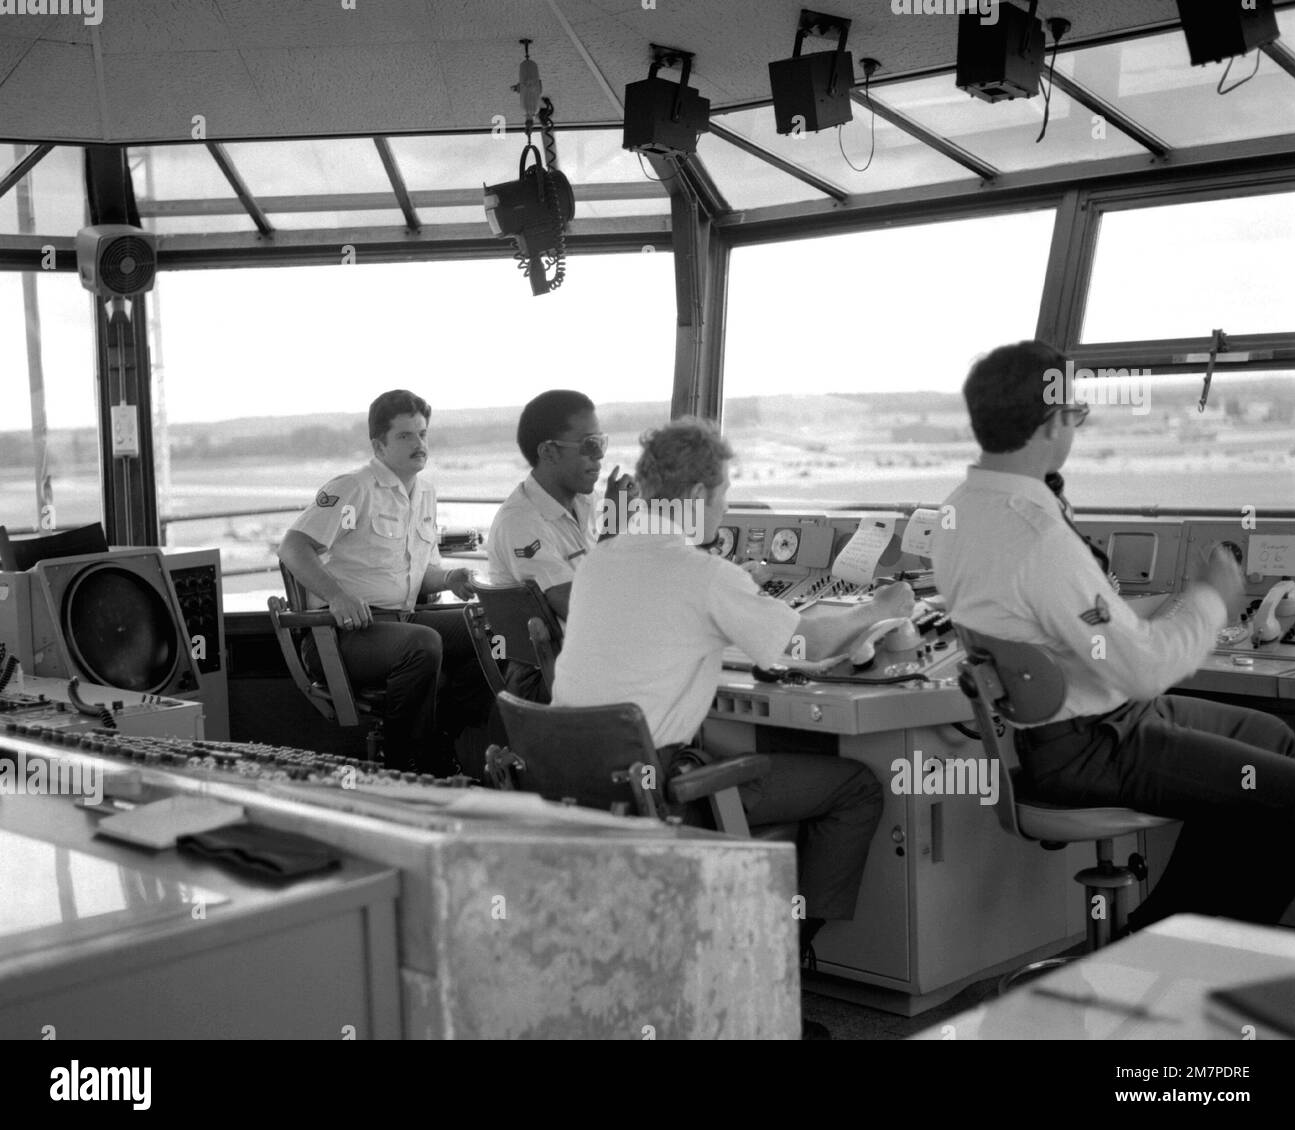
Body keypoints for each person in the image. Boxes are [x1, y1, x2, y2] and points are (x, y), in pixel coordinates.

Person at [932, 340, 1295, 931]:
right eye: (1074, 411)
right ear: (1052, 421)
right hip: (1092, 745)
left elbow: (1074, 623)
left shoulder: (957, 513)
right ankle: (1188, 950)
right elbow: (1146, 669)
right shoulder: (1039, 538)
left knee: (1271, 737)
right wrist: (1211, 598)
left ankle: (1174, 927)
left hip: (1071, 728)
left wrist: (1145, 612)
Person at [551, 417, 888, 969]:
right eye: (725, 492)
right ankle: (784, 958)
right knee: (856, 786)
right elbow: (802, 645)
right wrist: (881, 610)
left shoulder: (597, 563)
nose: (726, 508)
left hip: (572, 785)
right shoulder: (704, 574)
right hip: (653, 792)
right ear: (700, 494)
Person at [278, 389, 491, 775]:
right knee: (423, 642)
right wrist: (338, 596)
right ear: (379, 444)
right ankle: (404, 763)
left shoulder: (424, 493)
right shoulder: (354, 488)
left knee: (487, 624)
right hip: (343, 634)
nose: (419, 444)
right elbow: (293, 547)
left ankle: (441, 737)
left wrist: (451, 577)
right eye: (406, 436)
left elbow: (417, 574)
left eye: (423, 434)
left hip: (401, 623)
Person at [485, 390, 632, 699]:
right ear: (548, 452)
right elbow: (580, 608)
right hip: (545, 676)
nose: (600, 456)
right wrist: (615, 529)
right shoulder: (522, 522)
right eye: (590, 445)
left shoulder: (585, 503)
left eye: (601, 443)